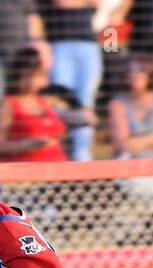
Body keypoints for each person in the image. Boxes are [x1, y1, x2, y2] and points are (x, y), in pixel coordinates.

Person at [38, 0, 102, 161]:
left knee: (86, 99)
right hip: (60, 43)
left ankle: (82, 155)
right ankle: (59, 150)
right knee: (61, 98)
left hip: (89, 44)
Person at [0, 45, 67, 162]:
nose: (32, 81)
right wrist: (26, 145)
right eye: (27, 76)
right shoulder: (7, 105)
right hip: (26, 173)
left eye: (36, 75)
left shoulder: (45, 102)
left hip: (57, 172)